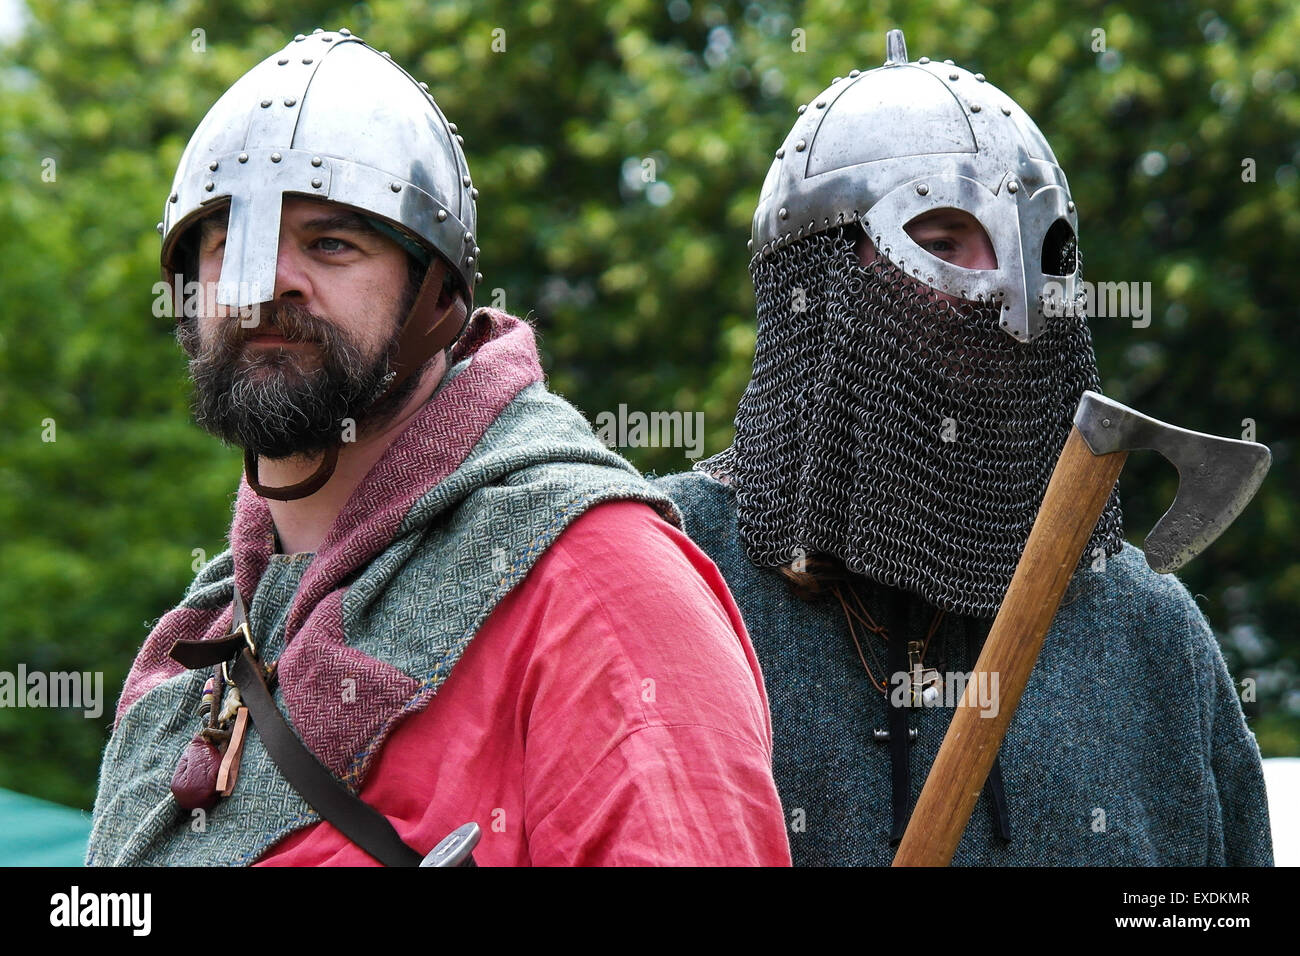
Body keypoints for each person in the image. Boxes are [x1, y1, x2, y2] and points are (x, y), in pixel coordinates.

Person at [86, 28, 790, 867]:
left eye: (331, 242)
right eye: (227, 243)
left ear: (435, 296)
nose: (269, 281)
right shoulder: (195, 643)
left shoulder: (598, 581)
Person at [654, 29, 1273, 866]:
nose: (1008, 294)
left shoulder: (1147, 634)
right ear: (816, 282)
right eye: (941, 244)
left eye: (1038, 249)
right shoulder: (672, 579)